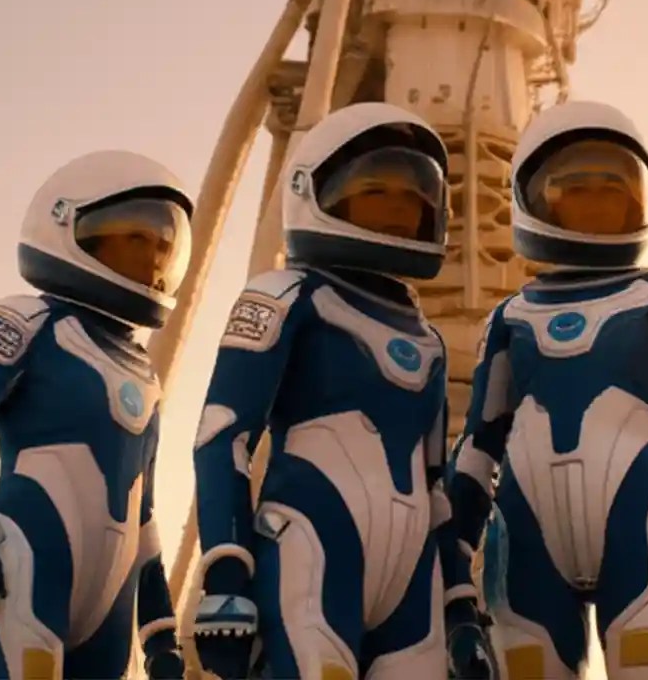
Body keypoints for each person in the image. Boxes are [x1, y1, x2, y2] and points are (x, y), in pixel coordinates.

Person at [446, 100, 648, 679]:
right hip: (525, 541)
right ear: (533, 199)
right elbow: (477, 447)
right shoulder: (508, 319)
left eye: (613, 190)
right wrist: (454, 568)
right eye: (573, 191)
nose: (594, 207)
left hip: (643, 522)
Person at [188, 101, 461, 679]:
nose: (397, 208)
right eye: (376, 191)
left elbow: (435, 489)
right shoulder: (285, 296)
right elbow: (223, 439)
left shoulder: (430, 341)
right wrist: (226, 574)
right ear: (312, 189)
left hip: (412, 582)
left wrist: (460, 600)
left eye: (413, 197)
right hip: (308, 549)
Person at [0, 150, 192, 679]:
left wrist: (158, 633)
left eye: (163, 244)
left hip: (108, 611)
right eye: (136, 237)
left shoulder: (145, 374)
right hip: (17, 575)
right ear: (72, 223)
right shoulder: (27, 318)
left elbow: (142, 514)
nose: (153, 257)